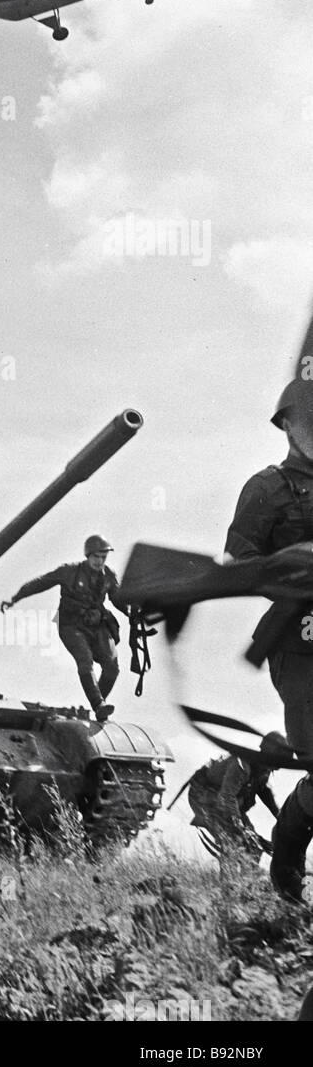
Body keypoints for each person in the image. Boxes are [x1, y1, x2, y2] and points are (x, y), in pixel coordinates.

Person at [226, 379, 313, 902]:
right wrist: (294, 567)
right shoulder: (267, 487)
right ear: (287, 424)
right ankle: (287, 860)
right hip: (300, 647)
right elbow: (238, 566)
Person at [0, 535, 130, 721]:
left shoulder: (108, 576)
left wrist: (133, 613)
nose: (99, 561)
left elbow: (118, 599)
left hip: (96, 623)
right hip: (70, 624)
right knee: (84, 660)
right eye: (96, 557)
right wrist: (15, 598)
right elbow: (41, 582)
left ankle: (97, 705)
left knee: (112, 667)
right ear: (88, 555)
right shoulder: (69, 572)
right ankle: (99, 704)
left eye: (103, 557)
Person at [187, 738, 285, 869]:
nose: (271, 769)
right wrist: (239, 825)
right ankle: (228, 885)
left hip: (228, 803)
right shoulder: (241, 766)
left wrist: (283, 819)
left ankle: (248, 882)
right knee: (231, 843)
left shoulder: (264, 769)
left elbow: (265, 792)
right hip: (203, 798)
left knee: (254, 846)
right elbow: (226, 796)